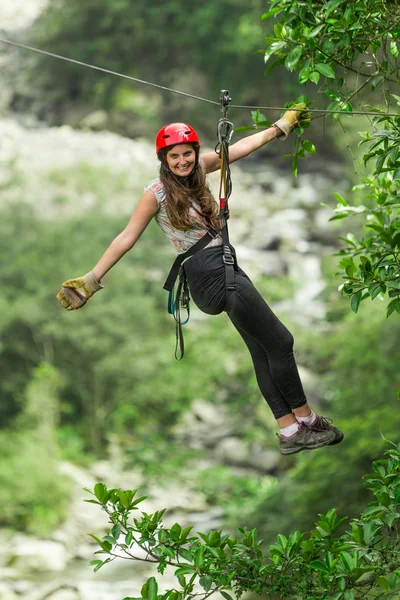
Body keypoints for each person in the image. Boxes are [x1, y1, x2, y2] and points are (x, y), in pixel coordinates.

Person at [56, 104, 344, 455]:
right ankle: (308, 421)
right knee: (281, 342)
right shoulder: (156, 193)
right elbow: (126, 238)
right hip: (212, 274)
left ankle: (288, 430)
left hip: (219, 271)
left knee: (262, 349)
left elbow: (238, 149)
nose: (182, 161)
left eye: (187, 154)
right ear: (164, 159)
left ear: (195, 152)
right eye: (174, 156)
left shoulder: (202, 169)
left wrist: (280, 127)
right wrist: (91, 280)